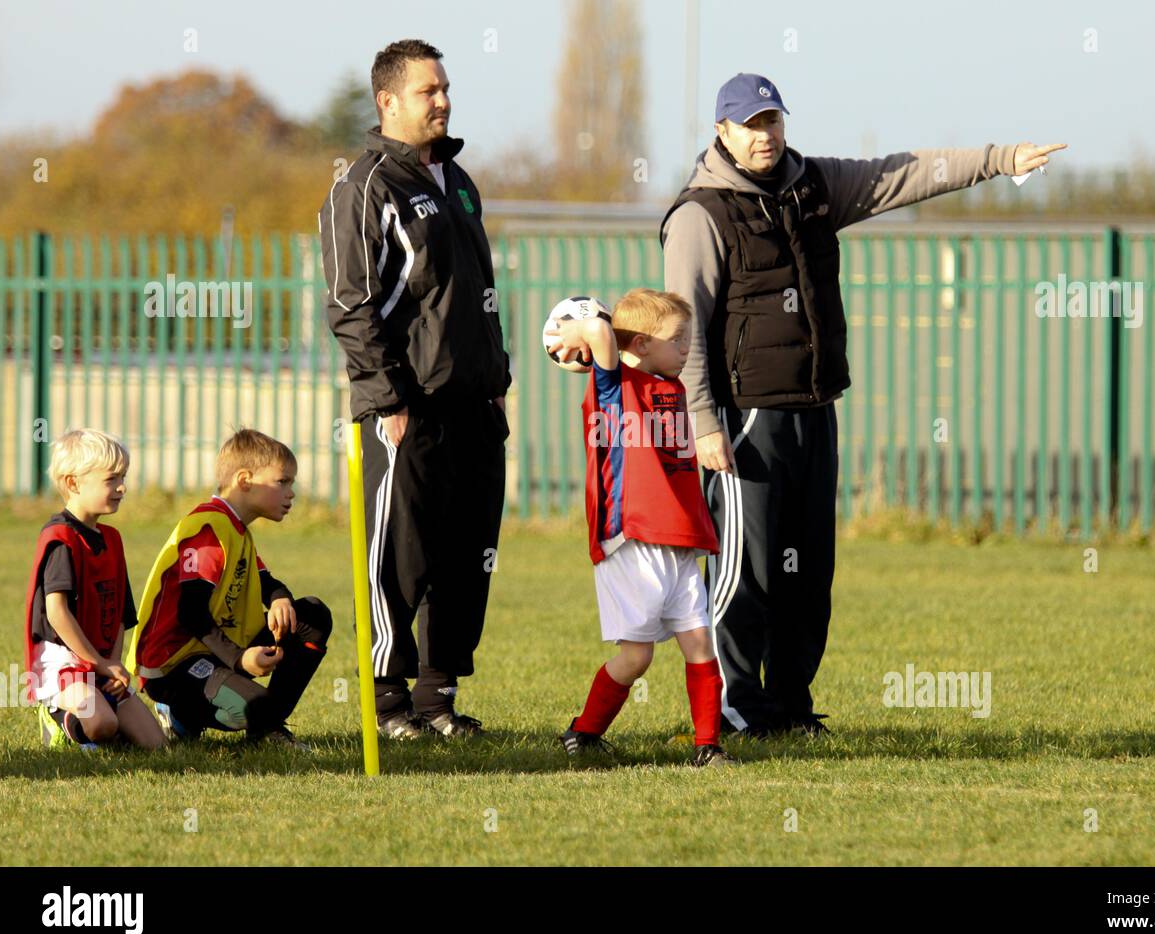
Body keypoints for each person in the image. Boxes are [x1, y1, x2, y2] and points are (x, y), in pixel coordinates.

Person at [662, 72, 1066, 737]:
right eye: (752, 123)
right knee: (746, 571)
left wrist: (1000, 160)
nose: (766, 134)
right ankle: (739, 705)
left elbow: (905, 175)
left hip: (814, 406)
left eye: (773, 121)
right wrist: (704, 423)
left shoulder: (813, 186)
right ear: (722, 131)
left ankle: (791, 706)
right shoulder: (700, 215)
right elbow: (687, 331)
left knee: (808, 570)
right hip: (745, 418)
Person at [319, 39, 509, 739]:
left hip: (472, 407)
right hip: (406, 409)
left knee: (467, 558)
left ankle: (436, 701)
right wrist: (387, 398)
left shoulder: (457, 180)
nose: (443, 100)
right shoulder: (364, 185)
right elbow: (349, 303)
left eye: (446, 87)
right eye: (428, 91)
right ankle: (387, 702)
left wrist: (497, 379)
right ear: (388, 101)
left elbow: (475, 295)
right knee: (400, 555)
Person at [548, 289, 735, 767]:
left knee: (700, 644)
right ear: (642, 344)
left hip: (680, 542)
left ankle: (707, 747)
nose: (687, 348)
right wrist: (576, 331)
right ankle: (583, 732)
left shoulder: (672, 387)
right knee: (637, 659)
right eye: (677, 339)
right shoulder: (614, 385)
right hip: (630, 541)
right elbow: (597, 333)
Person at [127, 429, 332, 748]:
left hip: (214, 647)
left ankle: (267, 729)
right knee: (257, 706)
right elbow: (192, 614)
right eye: (283, 482)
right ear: (245, 480)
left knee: (311, 615)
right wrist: (240, 660)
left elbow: (266, 581)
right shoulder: (210, 528)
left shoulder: (236, 529)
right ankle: (180, 715)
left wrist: (279, 599)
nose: (291, 493)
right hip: (175, 664)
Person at [25, 428, 165, 750]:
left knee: (156, 744)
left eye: (123, 477)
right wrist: (100, 665)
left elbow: (119, 615)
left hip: (100, 662)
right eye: (111, 479)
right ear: (74, 483)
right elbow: (57, 615)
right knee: (102, 724)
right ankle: (57, 716)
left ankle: (103, 725)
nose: (122, 487)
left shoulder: (112, 540)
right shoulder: (61, 538)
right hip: (64, 665)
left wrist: (113, 669)